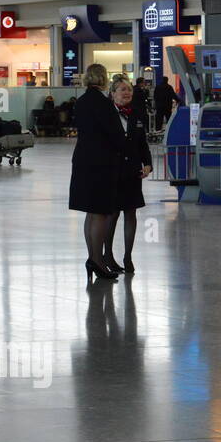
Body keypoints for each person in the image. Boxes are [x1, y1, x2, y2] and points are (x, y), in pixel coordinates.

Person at [69, 63, 127, 282]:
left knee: (90, 212)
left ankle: (92, 257)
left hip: (83, 158)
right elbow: (114, 133)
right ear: (103, 79)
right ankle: (97, 260)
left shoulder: (81, 102)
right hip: (101, 161)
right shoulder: (103, 103)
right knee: (101, 211)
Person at [101, 78, 153, 275]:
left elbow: (142, 144)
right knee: (112, 214)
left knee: (130, 213)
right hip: (113, 171)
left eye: (129, 90)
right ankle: (107, 256)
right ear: (112, 93)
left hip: (132, 171)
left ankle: (128, 257)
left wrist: (147, 164)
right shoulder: (106, 115)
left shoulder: (137, 114)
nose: (127, 93)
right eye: (122, 89)